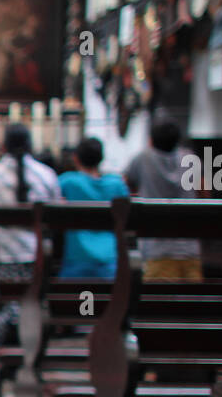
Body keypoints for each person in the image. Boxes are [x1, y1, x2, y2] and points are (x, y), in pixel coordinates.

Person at [0, 123, 61, 346]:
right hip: (37, 261)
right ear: (31, 144)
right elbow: (57, 219)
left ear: (3, 146)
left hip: (0, 263)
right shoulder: (46, 175)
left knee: (3, 299)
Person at [122, 116, 203, 281]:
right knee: (194, 304)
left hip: (157, 250)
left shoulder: (143, 158)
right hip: (190, 250)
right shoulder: (191, 160)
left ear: (151, 140)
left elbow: (126, 186)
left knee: (159, 304)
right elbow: (204, 193)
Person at [56, 137, 129, 279]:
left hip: (76, 259)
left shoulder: (68, 182)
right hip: (109, 261)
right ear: (101, 158)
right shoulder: (116, 185)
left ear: (76, 159)